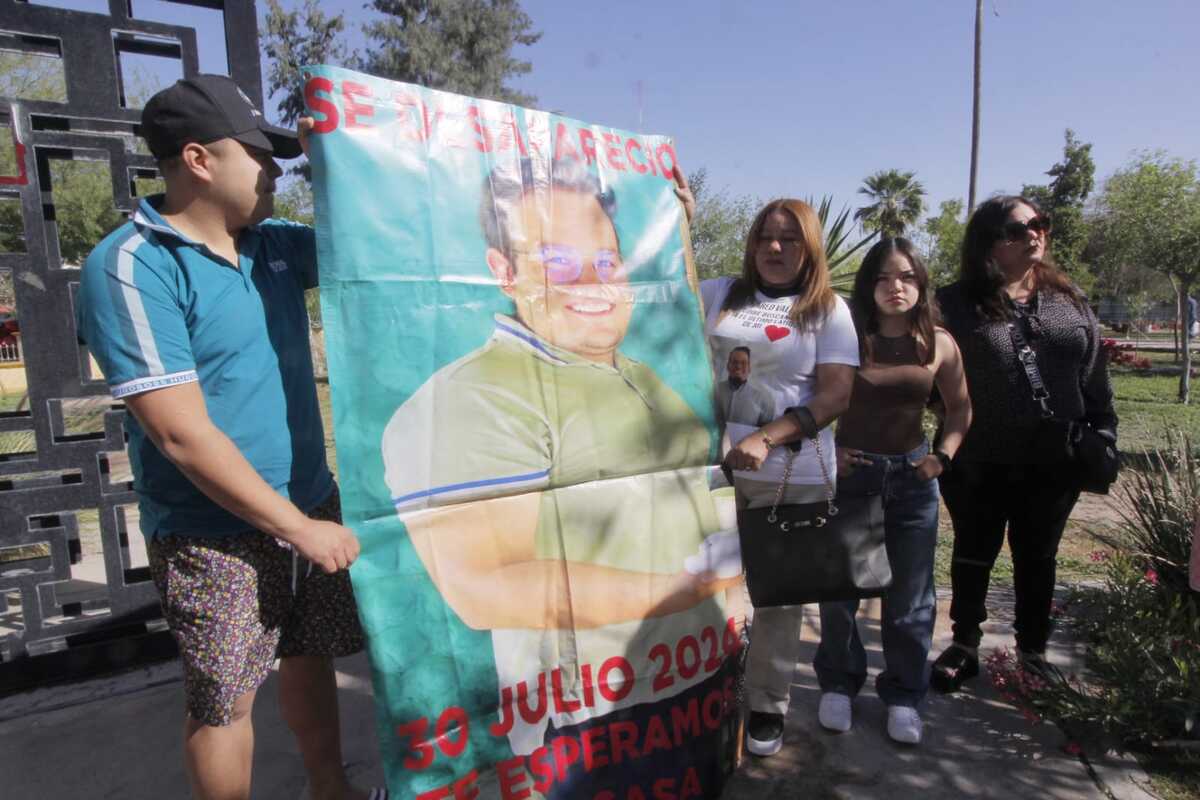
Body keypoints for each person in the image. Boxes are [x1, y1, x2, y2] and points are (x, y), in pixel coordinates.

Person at [379, 158, 740, 791]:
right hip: (589, 713)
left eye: (606, 261)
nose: (591, 282)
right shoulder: (473, 398)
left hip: (688, 677)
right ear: (504, 272)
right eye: (557, 260)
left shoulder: (635, 371)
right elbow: (484, 583)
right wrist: (682, 588)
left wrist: (677, 224)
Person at [75, 76, 377, 800]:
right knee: (225, 701)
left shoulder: (274, 246)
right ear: (199, 160)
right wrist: (296, 529)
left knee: (311, 659)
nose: (277, 170)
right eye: (262, 156)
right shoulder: (131, 265)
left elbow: (375, 241)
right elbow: (180, 435)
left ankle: (329, 788)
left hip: (307, 504)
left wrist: (337, 163)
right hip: (213, 534)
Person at [930, 195, 1117, 692]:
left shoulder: (1067, 299)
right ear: (989, 245)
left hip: (1054, 460)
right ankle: (964, 644)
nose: (1034, 234)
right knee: (973, 550)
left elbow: (1093, 372)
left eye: (1039, 224)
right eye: (1018, 229)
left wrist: (1104, 430)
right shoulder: (953, 305)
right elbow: (929, 379)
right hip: (978, 458)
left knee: (1039, 556)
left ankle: (1032, 651)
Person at [700, 198, 859, 757]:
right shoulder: (718, 294)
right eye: (765, 236)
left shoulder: (827, 310)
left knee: (777, 599)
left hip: (788, 474)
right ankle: (702, 689)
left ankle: (767, 705)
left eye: (789, 239)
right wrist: (682, 208)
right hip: (712, 470)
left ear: (809, 247)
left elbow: (837, 394)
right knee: (700, 583)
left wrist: (766, 437)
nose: (774, 247)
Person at [814, 238, 971, 745]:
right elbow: (810, 397)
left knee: (910, 600)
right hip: (851, 478)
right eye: (883, 278)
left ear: (920, 284)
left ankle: (904, 695)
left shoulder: (938, 343)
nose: (894, 287)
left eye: (905, 277)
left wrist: (940, 458)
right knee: (840, 594)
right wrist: (827, 451)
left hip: (910, 482)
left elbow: (961, 410)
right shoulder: (847, 337)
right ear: (869, 286)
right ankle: (839, 682)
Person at [715, 346, 776, 428]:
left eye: (743, 363)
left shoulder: (763, 399)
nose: (738, 366)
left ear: (749, 368)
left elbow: (766, 432)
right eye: (734, 362)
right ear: (728, 365)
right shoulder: (714, 391)